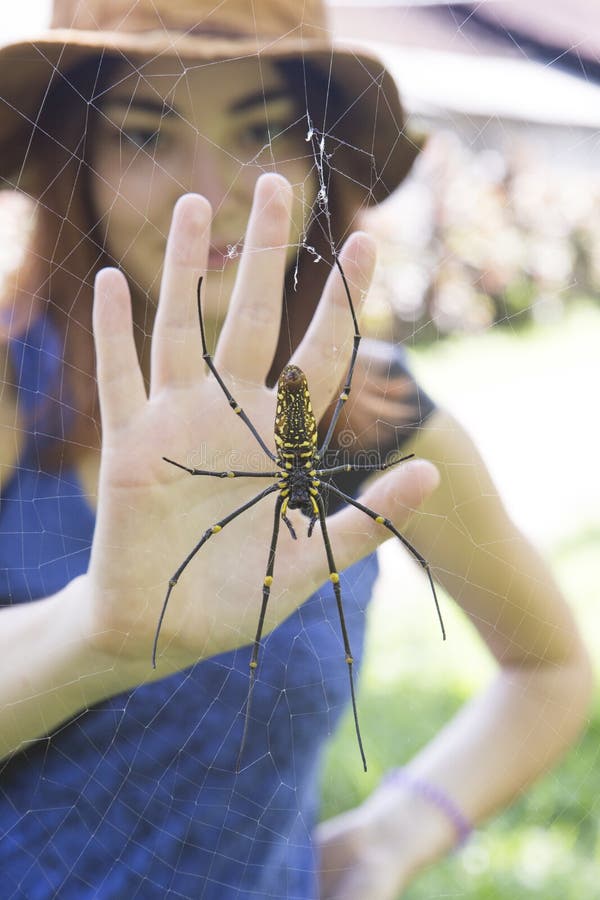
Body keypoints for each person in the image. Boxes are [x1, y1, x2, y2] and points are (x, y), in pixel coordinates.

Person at [0, 1, 592, 897]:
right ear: (77, 160)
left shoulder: (367, 414)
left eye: (265, 129)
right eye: (145, 135)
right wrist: (95, 633)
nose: (209, 187)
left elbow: (549, 667)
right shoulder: (14, 385)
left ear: (318, 164)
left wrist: (393, 835)